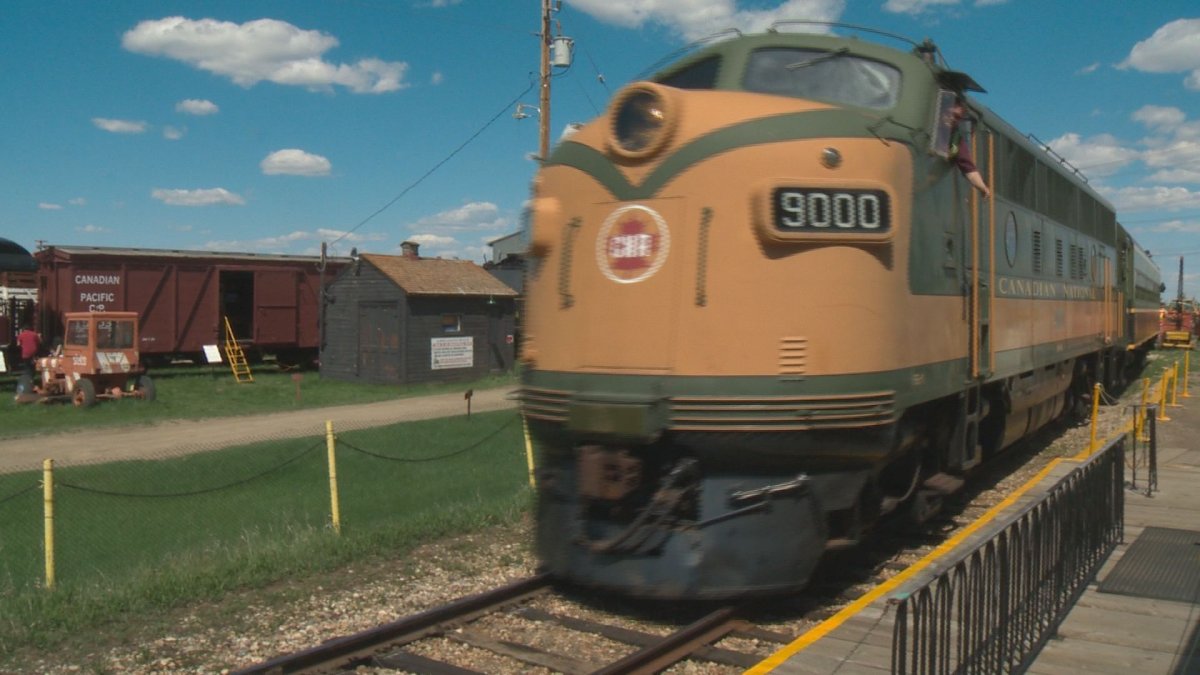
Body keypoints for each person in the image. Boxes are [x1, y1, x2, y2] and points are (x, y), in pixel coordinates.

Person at [947, 98, 992, 199]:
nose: (953, 119)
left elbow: (969, 170)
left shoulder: (956, 140)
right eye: (951, 113)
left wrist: (983, 188)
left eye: (957, 117)